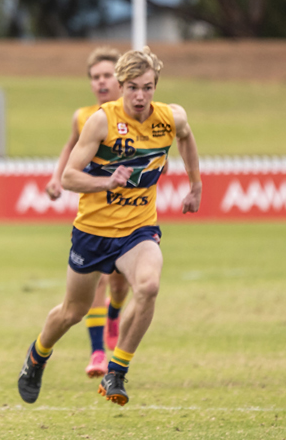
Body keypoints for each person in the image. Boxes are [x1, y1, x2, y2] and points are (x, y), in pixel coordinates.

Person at [17, 47, 200, 407]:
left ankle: (117, 371)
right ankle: (37, 355)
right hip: (93, 232)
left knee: (148, 286)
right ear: (120, 86)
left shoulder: (170, 117)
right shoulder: (101, 121)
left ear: (156, 86)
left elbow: (187, 137)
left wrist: (196, 186)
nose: (140, 96)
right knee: (73, 311)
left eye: (147, 87)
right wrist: (106, 183)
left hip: (138, 231)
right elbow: (69, 176)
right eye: (132, 87)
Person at [46, 46, 133, 378]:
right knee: (95, 282)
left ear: (120, 79)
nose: (101, 82)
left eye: (107, 76)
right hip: (94, 211)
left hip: (129, 215)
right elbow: (70, 146)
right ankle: (97, 352)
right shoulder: (83, 117)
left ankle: (114, 315)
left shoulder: (137, 118)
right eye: (95, 77)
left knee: (119, 283)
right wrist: (57, 178)